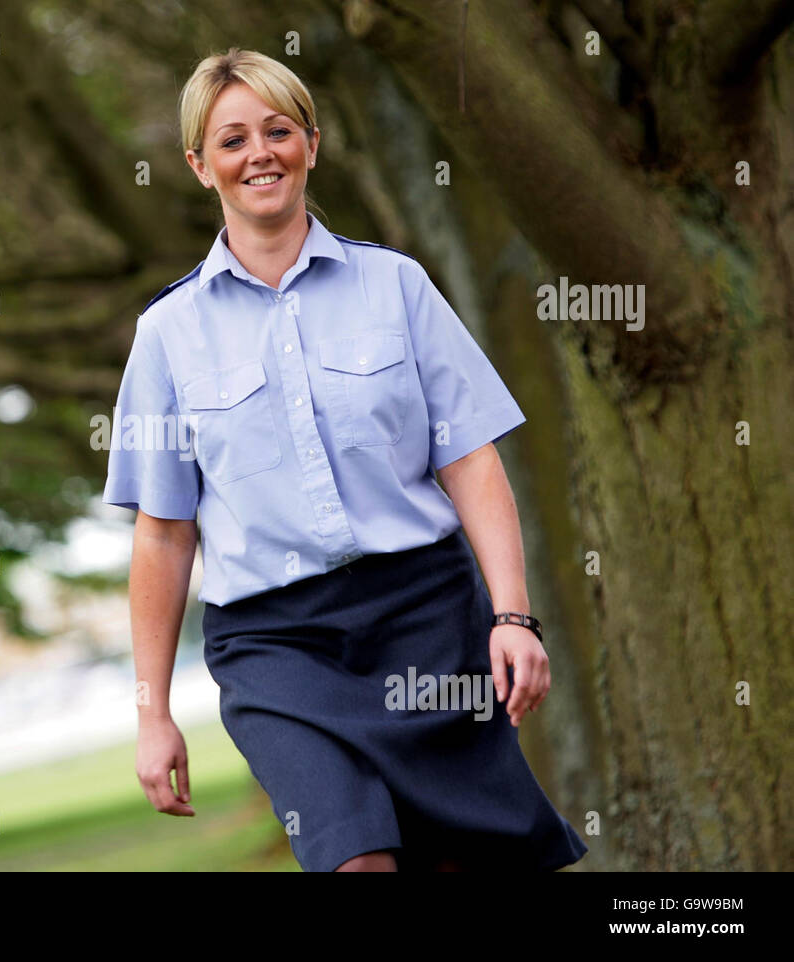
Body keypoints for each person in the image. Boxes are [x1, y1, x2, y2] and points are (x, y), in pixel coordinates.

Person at [102, 47, 588, 872]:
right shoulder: (167, 336)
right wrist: (153, 715)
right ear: (199, 165)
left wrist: (512, 616)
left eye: (278, 130)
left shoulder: (396, 286)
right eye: (232, 140)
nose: (260, 152)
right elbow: (162, 535)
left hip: (428, 622)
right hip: (276, 649)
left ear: (312, 145)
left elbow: (470, 460)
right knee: (354, 858)